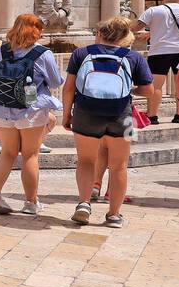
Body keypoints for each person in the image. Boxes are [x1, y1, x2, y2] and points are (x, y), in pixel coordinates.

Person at [64, 16, 153, 228]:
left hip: (86, 113)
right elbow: (149, 91)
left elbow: (69, 88)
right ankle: (114, 215)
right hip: (123, 116)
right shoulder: (134, 57)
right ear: (124, 37)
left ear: (100, 34)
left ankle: (84, 204)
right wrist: (131, 90)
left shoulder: (81, 53)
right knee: (119, 166)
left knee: (86, 161)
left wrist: (67, 115)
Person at [0, 14, 63, 217]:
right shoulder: (43, 54)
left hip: (2, 108)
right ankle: (30, 203)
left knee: (7, 153)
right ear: (37, 32)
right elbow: (54, 82)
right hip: (30, 110)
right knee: (30, 155)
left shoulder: (2, 50)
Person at [131, 0, 179, 124]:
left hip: (160, 51)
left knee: (156, 86)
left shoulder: (153, 10)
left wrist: (119, 33)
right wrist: (151, 32)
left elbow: (136, 26)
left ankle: (153, 116)